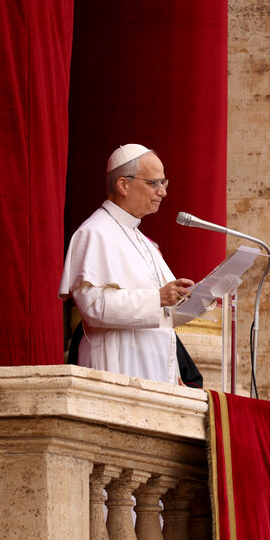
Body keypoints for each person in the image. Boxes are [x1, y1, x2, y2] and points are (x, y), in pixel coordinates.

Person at [59, 144, 197, 385]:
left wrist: (198, 299)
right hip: (119, 364)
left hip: (156, 369)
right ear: (123, 185)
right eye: (153, 183)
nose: (162, 192)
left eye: (164, 183)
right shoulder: (94, 233)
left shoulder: (144, 242)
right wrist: (158, 298)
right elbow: (94, 308)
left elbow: (165, 315)